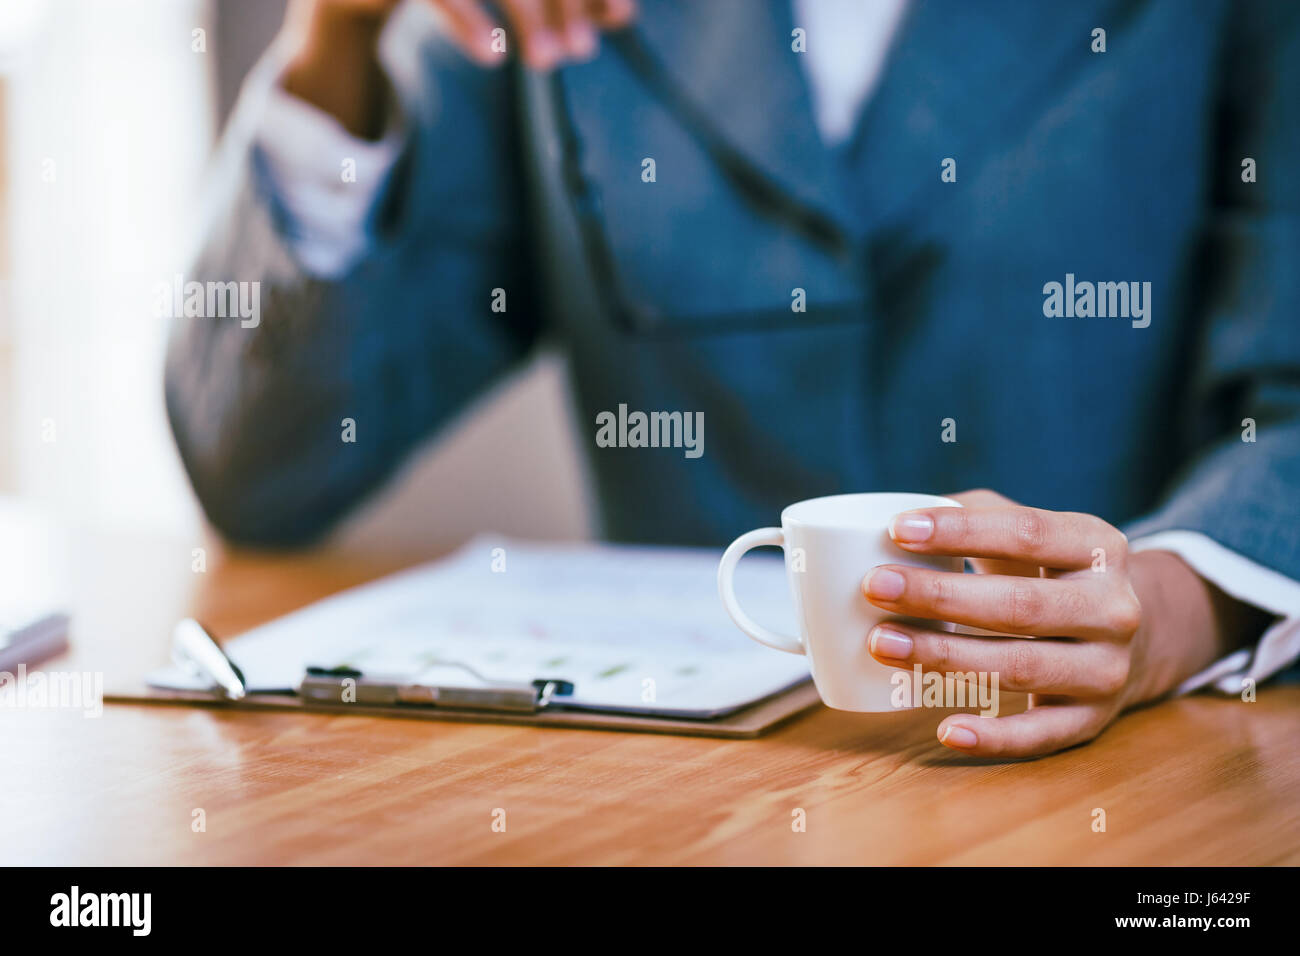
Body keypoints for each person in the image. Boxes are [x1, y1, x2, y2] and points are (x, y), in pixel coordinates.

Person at [165, 0, 1300, 757]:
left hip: (1144, 787)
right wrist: (338, 35)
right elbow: (260, 468)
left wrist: (1166, 610)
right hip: (684, 802)